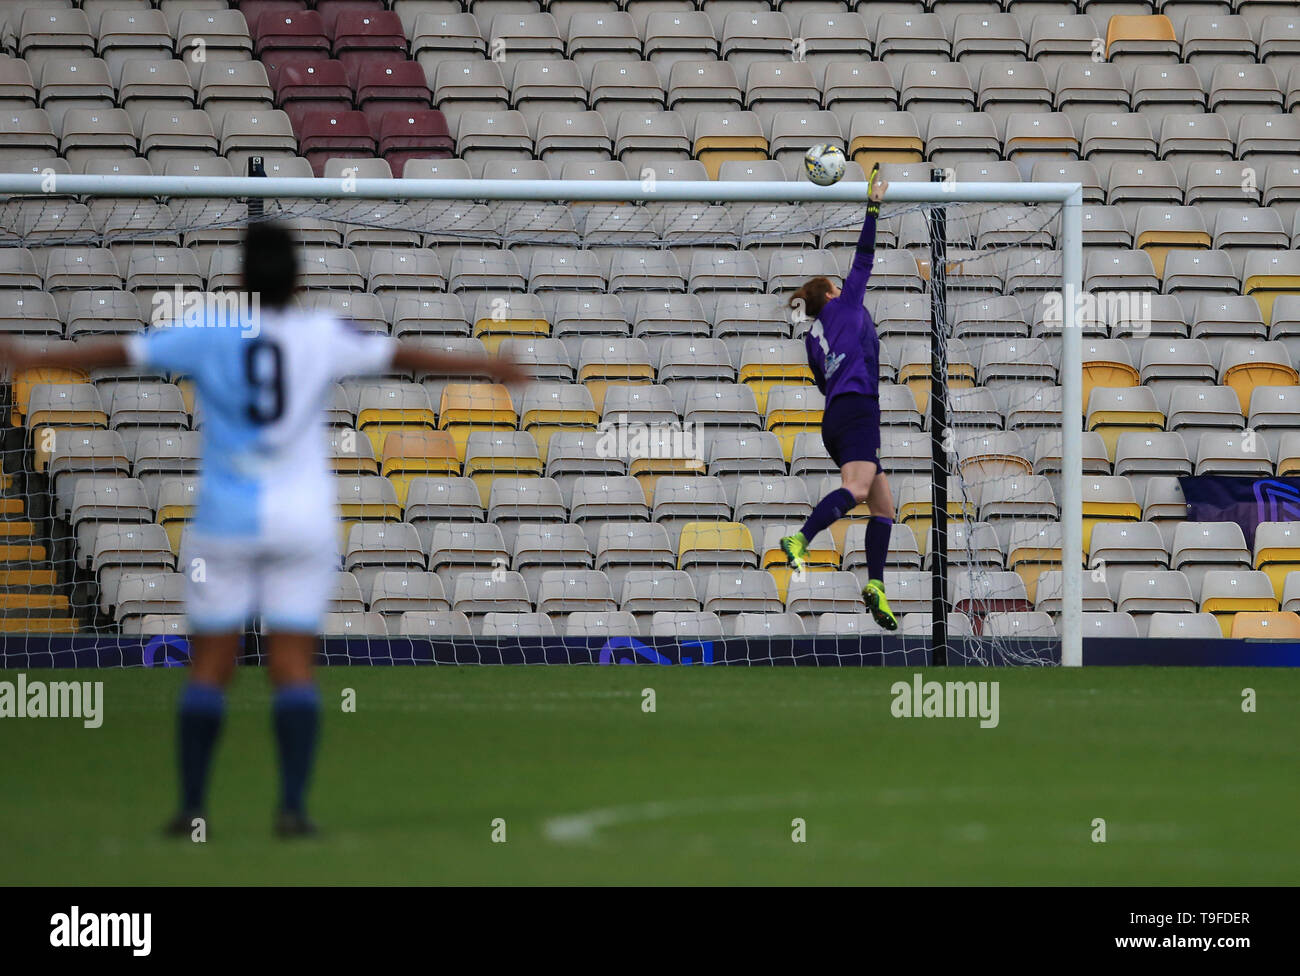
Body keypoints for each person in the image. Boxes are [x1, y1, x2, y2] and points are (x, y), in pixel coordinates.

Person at [0, 221, 531, 837]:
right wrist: (487, 367)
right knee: (292, 666)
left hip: (225, 523)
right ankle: (292, 808)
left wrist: (36, 356)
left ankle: (193, 808)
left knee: (209, 669)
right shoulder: (320, 334)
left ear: (241, 280)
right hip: (302, 523)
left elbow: (120, 352)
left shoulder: (212, 334)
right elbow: (402, 357)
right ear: (299, 281)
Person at [782, 165, 897, 631]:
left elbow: (822, 382)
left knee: (884, 509)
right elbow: (864, 257)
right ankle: (802, 538)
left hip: (835, 416)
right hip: (858, 408)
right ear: (831, 292)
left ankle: (876, 585)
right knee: (860, 490)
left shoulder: (811, 339)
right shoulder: (846, 303)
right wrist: (873, 204)